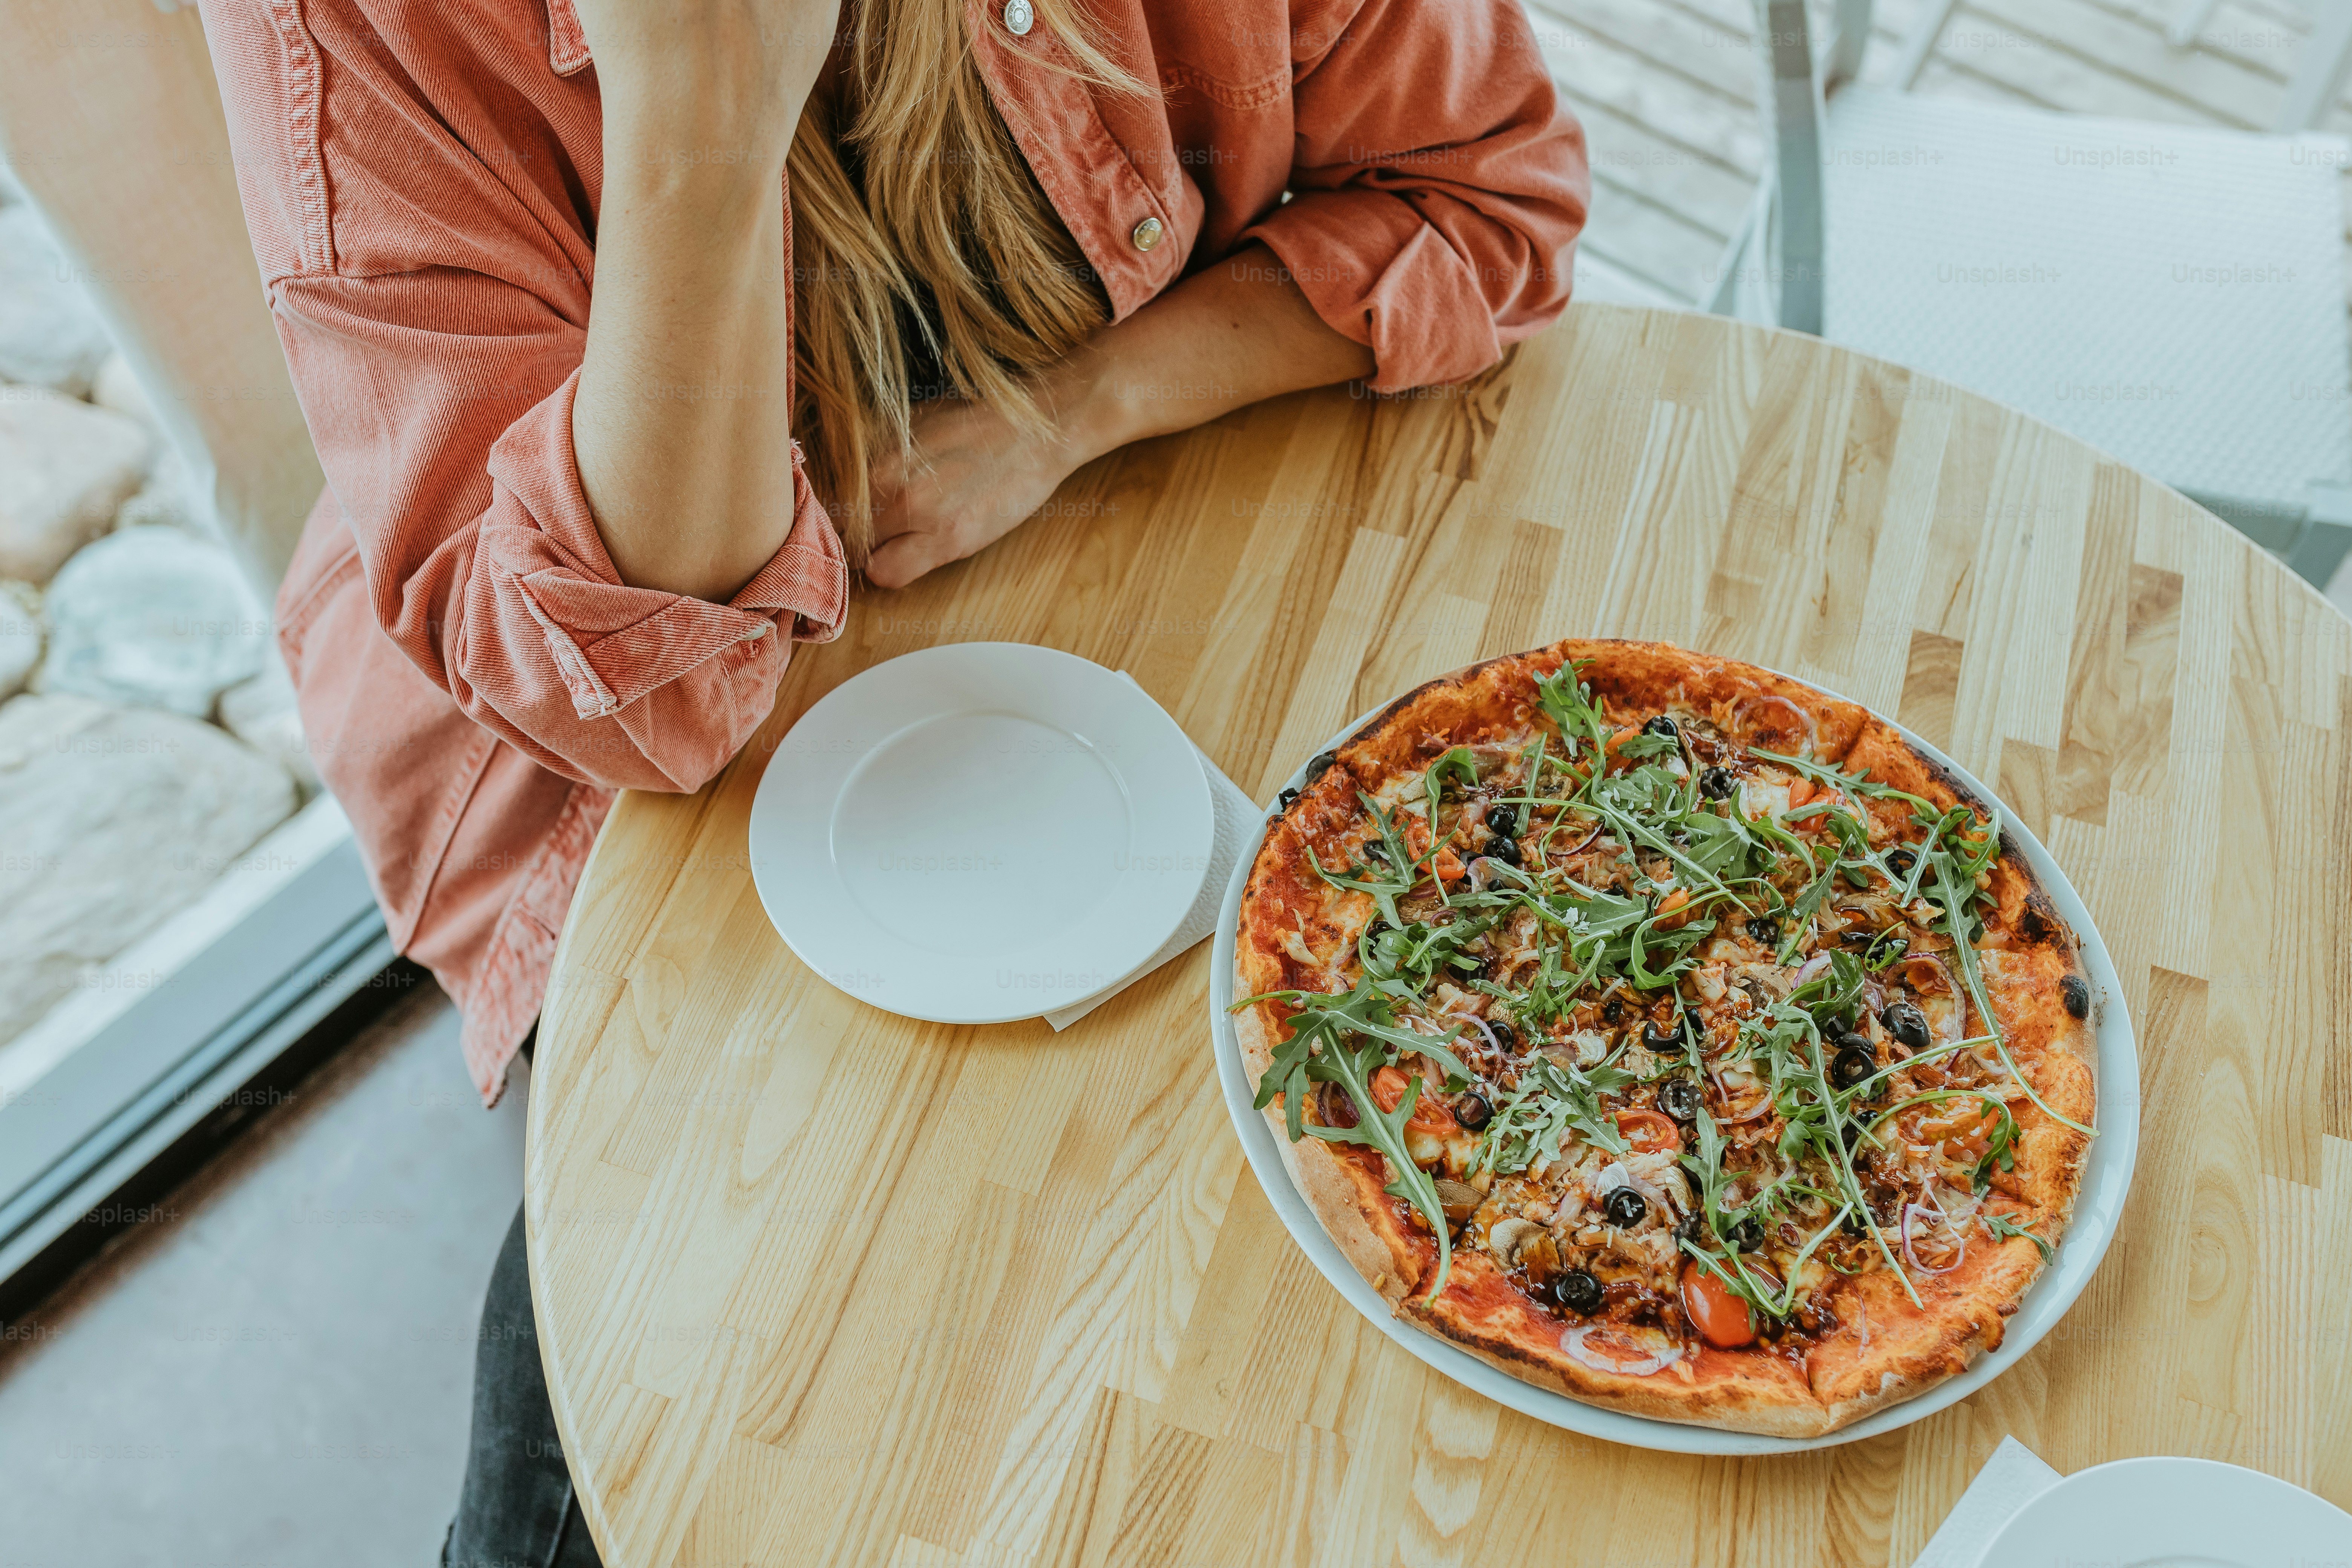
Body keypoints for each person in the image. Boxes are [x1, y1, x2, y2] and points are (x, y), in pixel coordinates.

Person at [196, 0, 1588, 1559]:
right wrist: (701, 121)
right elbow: (651, 713)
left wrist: (1073, 409)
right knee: (622, 1460)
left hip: (1135, 619)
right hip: (619, 805)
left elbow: (1486, 202)